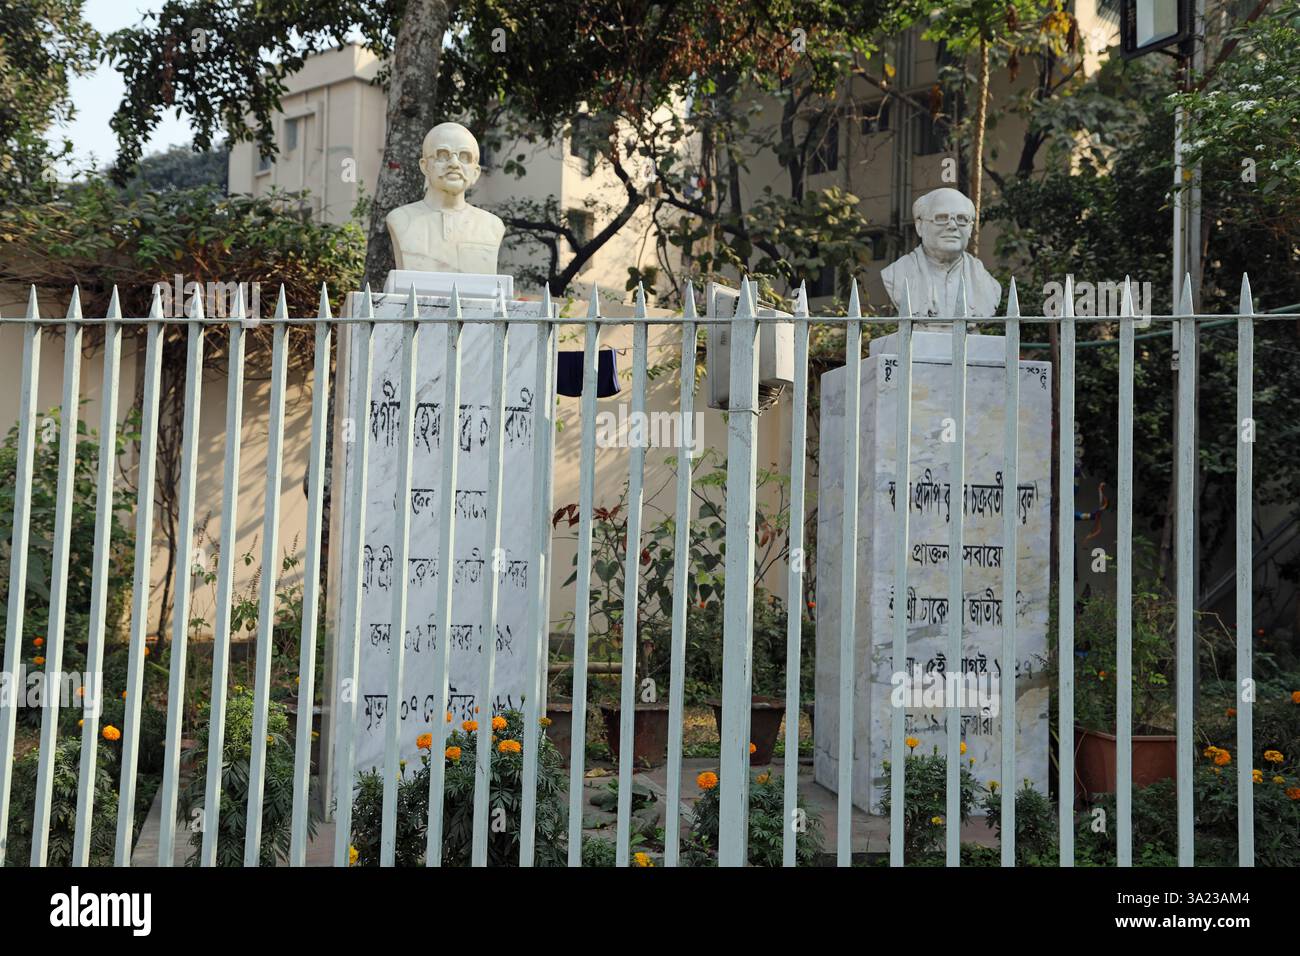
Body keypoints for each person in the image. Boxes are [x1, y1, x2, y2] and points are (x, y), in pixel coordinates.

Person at [385, 122, 505, 274]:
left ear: (475, 172)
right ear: (425, 166)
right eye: (442, 155)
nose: (454, 164)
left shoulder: (491, 226)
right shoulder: (401, 220)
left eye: (464, 157)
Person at [880, 188, 1001, 328]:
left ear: (970, 229)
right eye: (941, 218)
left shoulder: (988, 284)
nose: (952, 226)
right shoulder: (897, 274)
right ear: (920, 226)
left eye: (962, 219)